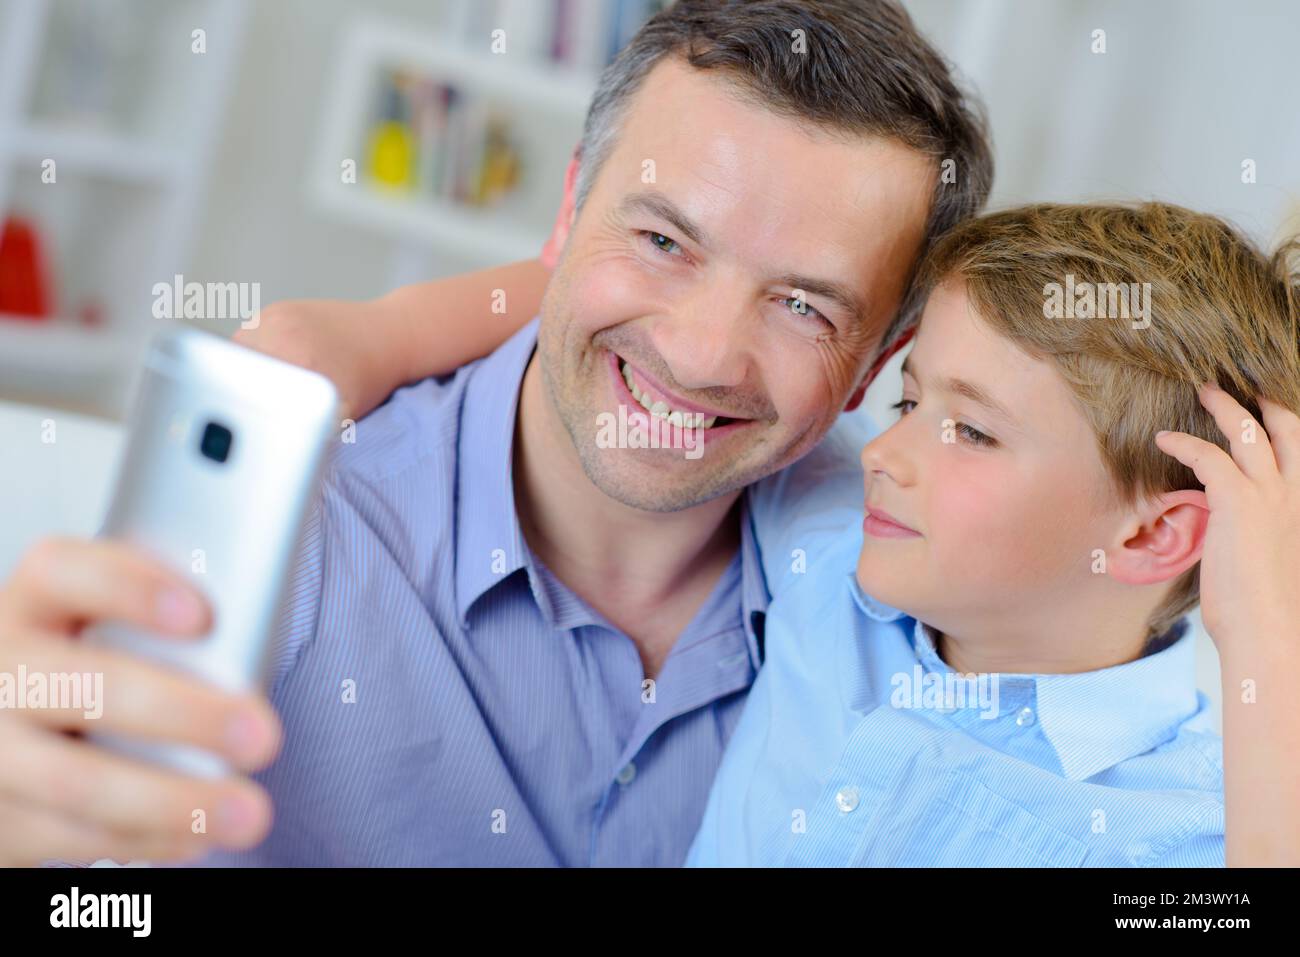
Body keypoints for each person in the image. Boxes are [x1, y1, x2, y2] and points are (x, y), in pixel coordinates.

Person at [0, 0, 994, 866]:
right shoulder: (292, 541)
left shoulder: (891, 604)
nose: (700, 357)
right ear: (565, 213)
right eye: (660, 241)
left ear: (875, 363)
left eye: (802, 306)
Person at [686, 203, 1300, 865]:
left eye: (973, 432)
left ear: (1152, 535)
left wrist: (1264, 634)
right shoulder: (829, 547)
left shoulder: (1183, 833)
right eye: (910, 403)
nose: (882, 453)